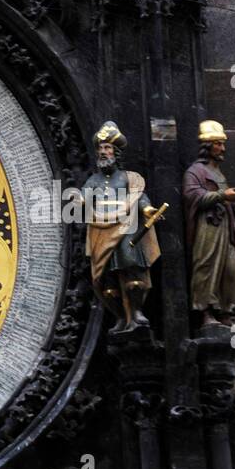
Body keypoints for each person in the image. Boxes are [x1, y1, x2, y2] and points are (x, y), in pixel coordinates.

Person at [78, 121, 161, 332]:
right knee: (107, 281)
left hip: (125, 229)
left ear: (116, 152)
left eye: (107, 148)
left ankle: (136, 312)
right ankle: (120, 317)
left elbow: (139, 197)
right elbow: (82, 199)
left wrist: (147, 210)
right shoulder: (94, 180)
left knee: (132, 273)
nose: (103, 152)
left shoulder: (127, 178)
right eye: (100, 148)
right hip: (101, 231)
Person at [182, 120, 235, 325]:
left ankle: (226, 312)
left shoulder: (218, 173)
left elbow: (226, 203)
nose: (222, 148)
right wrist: (221, 195)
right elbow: (193, 196)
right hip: (208, 227)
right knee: (207, 266)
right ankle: (206, 311)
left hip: (225, 227)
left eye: (222, 144)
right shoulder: (195, 171)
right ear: (207, 146)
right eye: (218, 143)